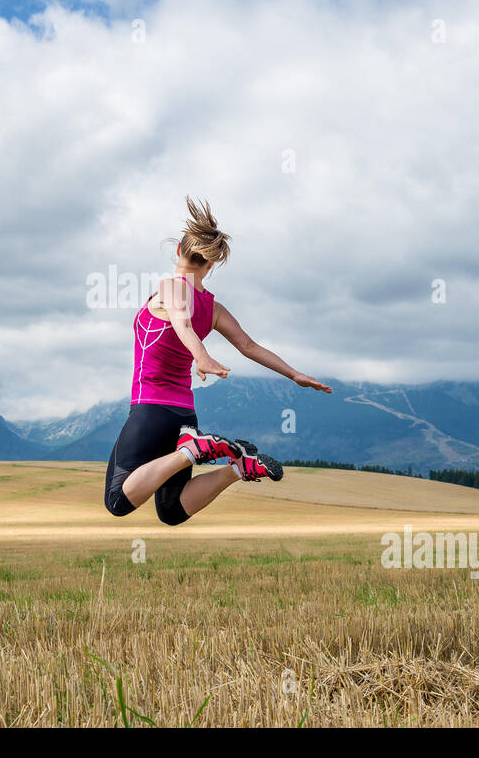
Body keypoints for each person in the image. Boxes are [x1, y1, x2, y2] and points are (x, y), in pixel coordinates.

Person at [103, 197, 332, 526]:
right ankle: (239, 467)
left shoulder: (171, 288)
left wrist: (202, 356)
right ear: (210, 265)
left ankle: (192, 451)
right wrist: (294, 374)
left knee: (117, 500)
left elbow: (181, 323)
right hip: (184, 416)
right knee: (170, 510)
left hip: (150, 410)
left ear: (179, 249)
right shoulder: (213, 308)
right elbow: (248, 345)